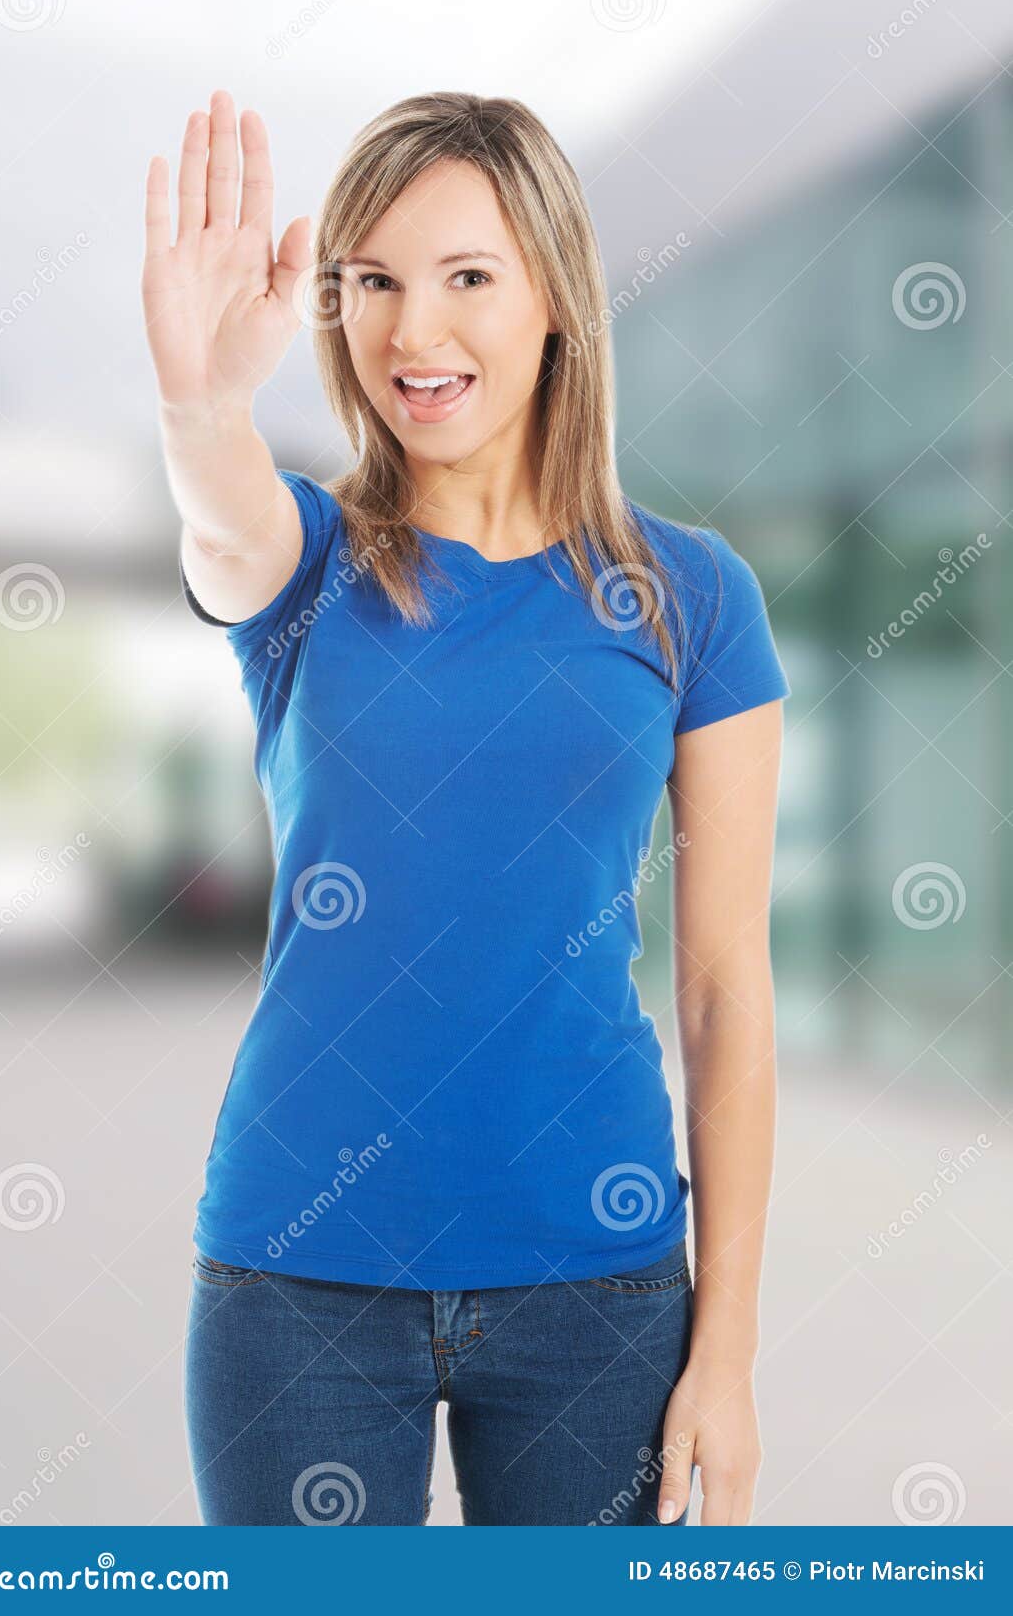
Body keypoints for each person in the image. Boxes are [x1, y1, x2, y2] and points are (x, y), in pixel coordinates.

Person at [141, 88, 791, 1527]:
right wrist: (198, 402)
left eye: (467, 278)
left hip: (597, 1286)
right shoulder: (303, 560)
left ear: (556, 297)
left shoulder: (692, 598)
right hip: (297, 1276)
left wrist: (729, 1352)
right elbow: (224, 511)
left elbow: (724, 989)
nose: (412, 333)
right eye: (371, 282)